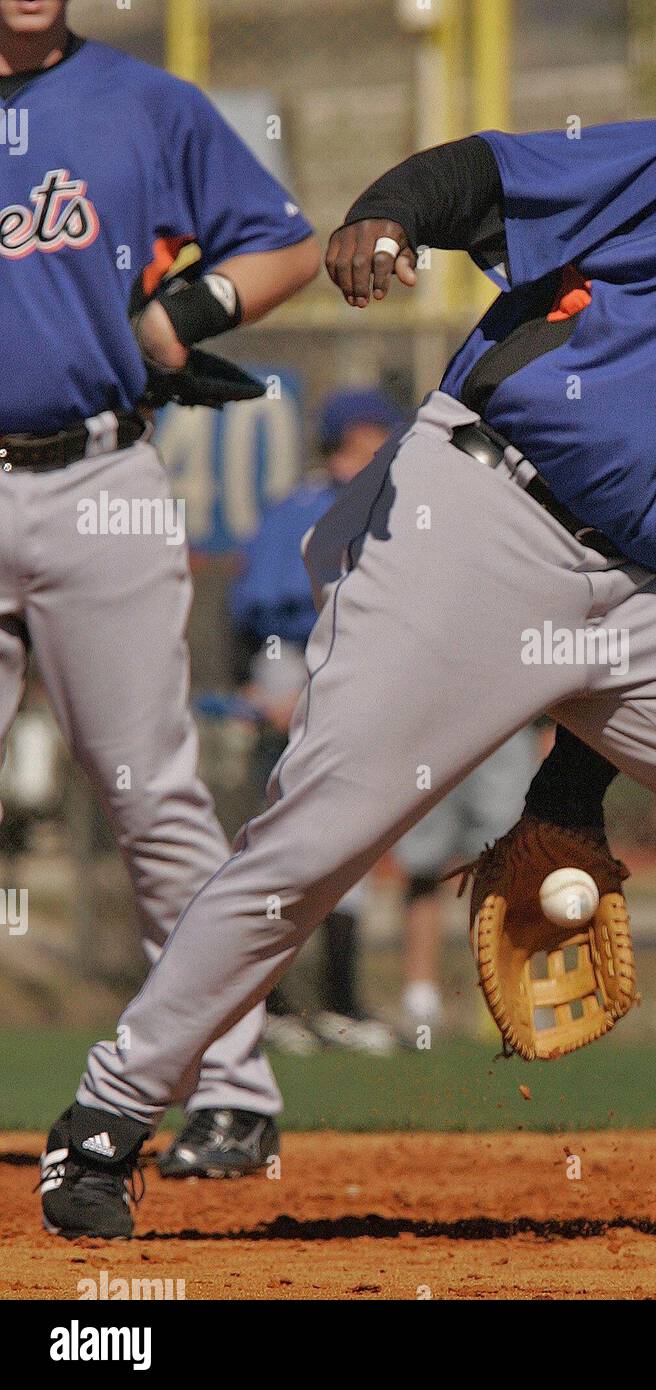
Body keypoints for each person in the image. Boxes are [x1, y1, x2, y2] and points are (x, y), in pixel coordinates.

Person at [44, 56, 656, 1246]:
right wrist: (388, 216)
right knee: (315, 843)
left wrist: (570, 789)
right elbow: (489, 175)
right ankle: (107, 1113)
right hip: (478, 514)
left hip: (643, 590)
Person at [0, 0, 321, 1194]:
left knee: (153, 797)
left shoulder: (144, 103)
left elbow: (283, 242)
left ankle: (232, 1091)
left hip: (99, 478)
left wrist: (188, 311)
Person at [231, 388, 408, 1057]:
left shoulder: (391, 506)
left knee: (351, 844)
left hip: (360, 673)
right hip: (299, 670)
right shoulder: (305, 506)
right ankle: (270, 1006)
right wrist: (272, 681)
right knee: (281, 841)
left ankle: (338, 1002)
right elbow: (260, 609)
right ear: (356, 435)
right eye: (382, 432)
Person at [392, 726, 541, 1045]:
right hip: (430, 723)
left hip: (506, 720)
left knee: (508, 865)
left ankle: (509, 996)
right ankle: (420, 1003)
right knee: (423, 866)